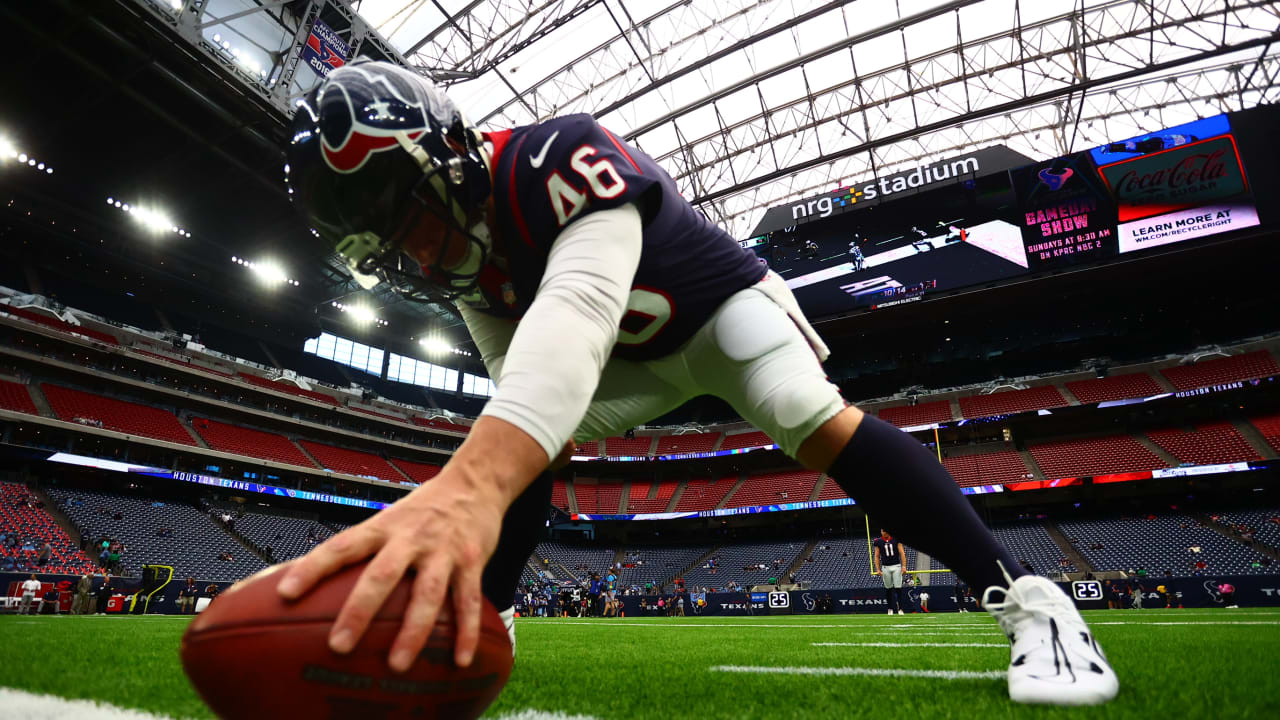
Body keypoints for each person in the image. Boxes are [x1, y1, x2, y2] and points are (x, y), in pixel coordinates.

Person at [278, 60, 1117, 705]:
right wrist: (498, 467)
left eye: (418, 221)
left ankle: (1035, 603)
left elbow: (576, 313)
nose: (422, 257)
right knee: (526, 442)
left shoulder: (553, 157)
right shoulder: (472, 279)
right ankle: (489, 624)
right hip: (630, 369)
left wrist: (464, 483)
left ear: (452, 153)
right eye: (396, 250)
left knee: (803, 412)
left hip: (724, 315)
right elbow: (529, 396)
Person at [873, 529, 908, 616]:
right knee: (888, 588)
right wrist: (877, 569)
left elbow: (902, 553)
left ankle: (900, 609)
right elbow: (877, 556)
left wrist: (904, 566)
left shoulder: (896, 539)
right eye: (883, 531)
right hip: (885, 567)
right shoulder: (878, 541)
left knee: (898, 588)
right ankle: (890, 609)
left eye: (886, 530)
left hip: (896, 566)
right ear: (881, 532)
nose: (885, 532)